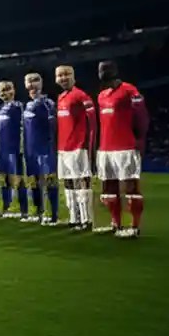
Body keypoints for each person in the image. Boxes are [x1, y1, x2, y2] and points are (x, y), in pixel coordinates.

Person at [95, 60, 149, 238]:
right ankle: (115, 224)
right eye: (101, 69)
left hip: (126, 147)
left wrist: (139, 140)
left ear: (115, 70)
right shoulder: (101, 96)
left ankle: (134, 227)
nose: (103, 72)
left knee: (131, 187)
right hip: (105, 148)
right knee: (109, 188)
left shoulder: (129, 90)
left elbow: (142, 117)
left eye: (106, 69)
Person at [54, 65, 96, 231]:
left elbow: (92, 121)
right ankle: (74, 217)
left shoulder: (81, 95)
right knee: (68, 181)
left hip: (78, 146)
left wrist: (90, 144)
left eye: (67, 74)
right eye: (60, 75)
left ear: (73, 76)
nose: (63, 78)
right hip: (63, 148)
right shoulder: (61, 97)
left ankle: (86, 219)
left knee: (82, 180)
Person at [23, 72, 59, 225]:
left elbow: (53, 128)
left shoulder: (48, 103)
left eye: (36, 80)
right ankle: (39, 212)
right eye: (29, 81)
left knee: (49, 181)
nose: (32, 84)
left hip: (45, 149)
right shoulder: (27, 105)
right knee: (34, 182)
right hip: (30, 151)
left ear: (42, 83)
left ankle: (53, 215)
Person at [0, 80, 27, 219]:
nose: (5, 93)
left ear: (14, 90)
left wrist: (21, 146)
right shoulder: (0, 109)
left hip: (15, 149)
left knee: (18, 179)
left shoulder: (18, 107)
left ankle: (24, 210)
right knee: (4, 179)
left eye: (8, 89)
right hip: (3, 150)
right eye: (2, 90)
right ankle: (6, 206)